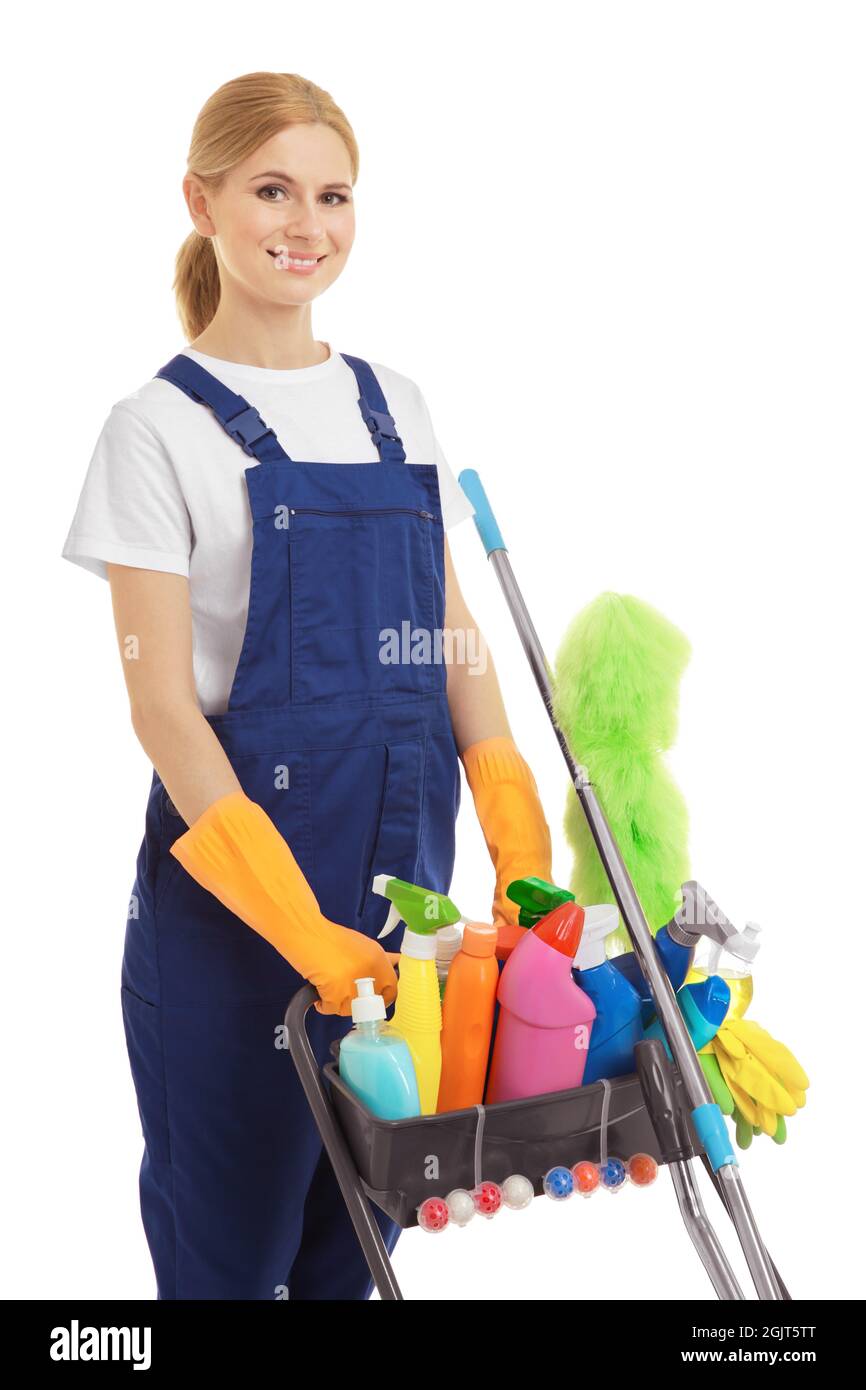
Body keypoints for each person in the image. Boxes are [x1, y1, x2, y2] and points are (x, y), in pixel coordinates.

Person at [62, 70, 552, 1300]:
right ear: (202, 201)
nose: (306, 224)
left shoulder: (395, 405)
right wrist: (294, 926)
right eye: (271, 189)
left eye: (333, 195)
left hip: (404, 915)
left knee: (361, 1245)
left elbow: (452, 639)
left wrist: (516, 840)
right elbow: (160, 705)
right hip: (236, 920)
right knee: (228, 1260)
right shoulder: (154, 430)